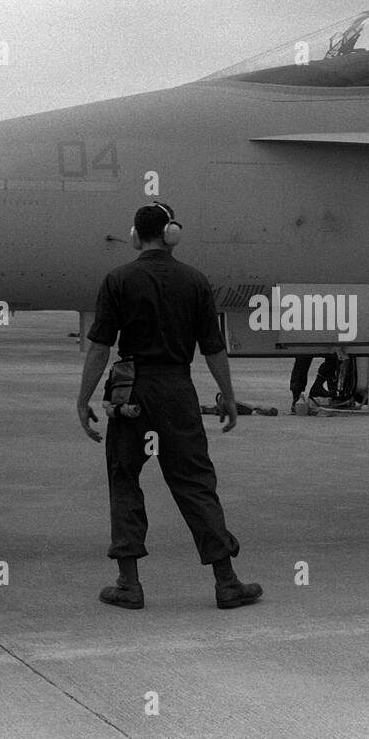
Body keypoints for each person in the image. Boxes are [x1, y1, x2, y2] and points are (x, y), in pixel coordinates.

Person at [76, 202, 262, 610]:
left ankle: (129, 583)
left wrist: (83, 396)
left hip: (130, 392)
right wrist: (228, 396)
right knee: (195, 483)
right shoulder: (195, 281)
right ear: (172, 233)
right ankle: (226, 582)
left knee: (124, 478)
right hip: (177, 390)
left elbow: (100, 346)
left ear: (134, 235)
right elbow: (212, 347)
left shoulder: (118, 279)